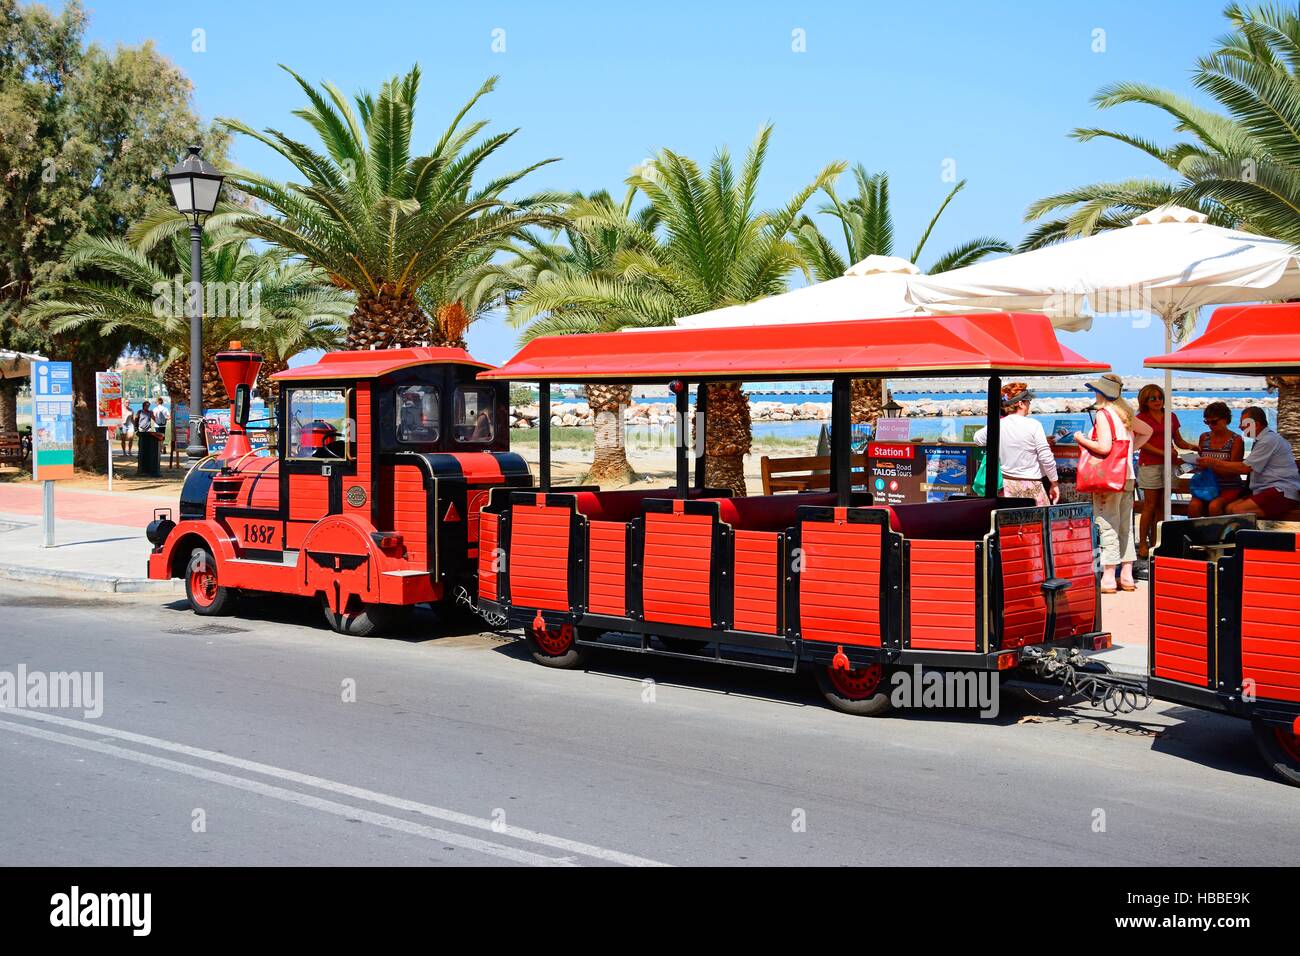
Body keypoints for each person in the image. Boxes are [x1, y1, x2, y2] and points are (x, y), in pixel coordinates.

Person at [1074, 373, 1146, 594]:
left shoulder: (1104, 414)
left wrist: (1080, 438)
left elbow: (1104, 447)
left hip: (1109, 478)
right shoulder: (1125, 413)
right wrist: (1128, 451)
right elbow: (1148, 432)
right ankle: (1127, 575)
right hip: (1128, 475)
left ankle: (1108, 576)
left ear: (1102, 393)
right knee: (1126, 526)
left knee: (1107, 524)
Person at [1198, 406, 1300, 519]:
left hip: (1282, 492)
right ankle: (1238, 536)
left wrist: (1213, 462)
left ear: (1255, 424)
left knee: (1238, 510)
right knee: (1229, 508)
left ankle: (1249, 536)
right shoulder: (1262, 439)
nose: (1240, 427)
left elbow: (1245, 468)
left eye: (1243, 423)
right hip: (1265, 490)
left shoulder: (1268, 440)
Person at [973, 382, 1059, 507]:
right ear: (1020, 403)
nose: (1030, 404)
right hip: (1031, 487)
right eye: (1028, 400)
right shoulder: (1034, 425)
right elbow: (1046, 457)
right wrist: (1054, 482)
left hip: (1006, 488)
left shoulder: (998, 425)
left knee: (1008, 525)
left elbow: (978, 439)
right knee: (1035, 525)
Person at [1135, 384, 1196, 558]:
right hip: (1150, 465)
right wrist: (1164, 453)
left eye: (1160, 397)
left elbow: (1179, 441)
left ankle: (1157, 542)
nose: (1157, 401)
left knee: (1163, 506)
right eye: (1152, 398)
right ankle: (1143, 544)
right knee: (1149, 506)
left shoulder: (1170, 416)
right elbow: (1141, 443)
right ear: (1145, 401)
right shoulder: (1141, 419)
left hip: (1169, 465)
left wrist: (1193, 447)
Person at [1186, 401, 1244, 518]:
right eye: (1207, 422)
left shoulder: (1236, 440)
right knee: (1194, 506)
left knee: (1214, 506)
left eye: (1214, 422)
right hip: (1207, 486)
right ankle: (1195, 535)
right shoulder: (1204, 437)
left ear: (1225, 420)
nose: (1210, 425)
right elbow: (1201, 463)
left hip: (1228, 487)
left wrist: (1211, 465)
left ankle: (1216, 535)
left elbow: (1233, 471)